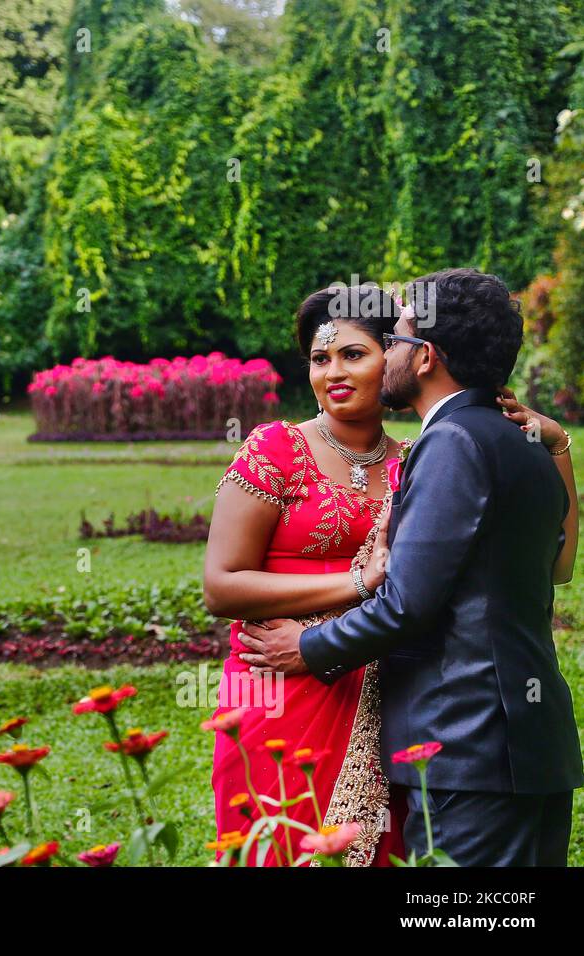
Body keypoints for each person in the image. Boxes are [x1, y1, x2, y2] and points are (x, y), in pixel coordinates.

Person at [239, 268, 581, 866]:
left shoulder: (449, 443)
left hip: (468, 749)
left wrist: (310, 646)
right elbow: (555, 568)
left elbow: (407, 603)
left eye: (392, 339)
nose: (387, 351)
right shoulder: (530, 442)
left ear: (424, 357)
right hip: (533, 748)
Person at [202, 285, 408, 866]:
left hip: (383, 688)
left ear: (392, 358)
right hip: (275, 690)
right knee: (275, 842)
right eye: (321, 359)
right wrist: (359, 583)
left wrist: (553, 443)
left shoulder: (416, 460)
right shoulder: (275, 449)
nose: (333, 373)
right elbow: (222, 585)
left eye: (353, 355)